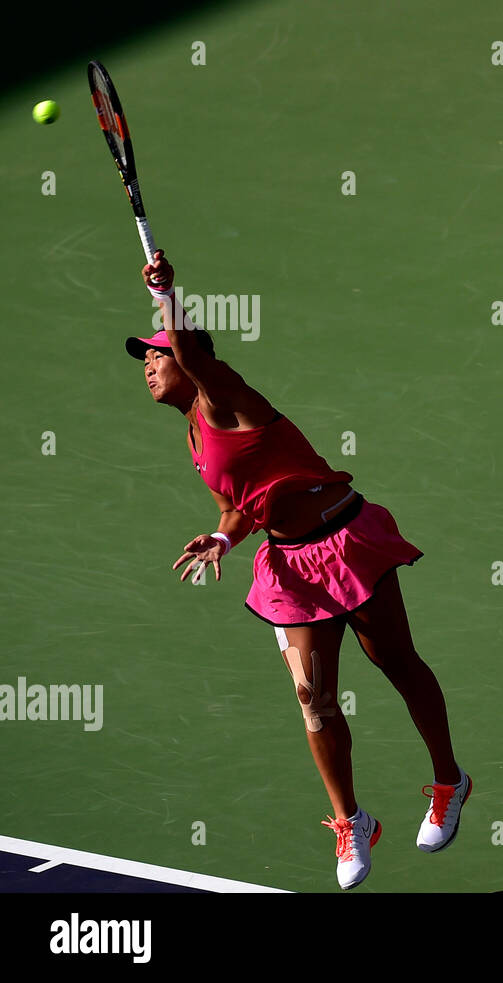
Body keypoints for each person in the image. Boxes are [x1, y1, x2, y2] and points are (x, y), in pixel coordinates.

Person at [128, 249, 469, 890]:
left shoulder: (225, 397)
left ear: (188, 356)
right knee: (313, 699)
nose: (148, 365)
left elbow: (192, 352)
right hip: (290, 567)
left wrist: (166, 294)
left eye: (156, 353)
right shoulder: (196, 440)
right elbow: (236, 508)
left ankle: (450, 781)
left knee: (396, 662)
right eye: (146, 357)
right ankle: (351, 821)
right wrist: (222, 540)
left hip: (347, 542)